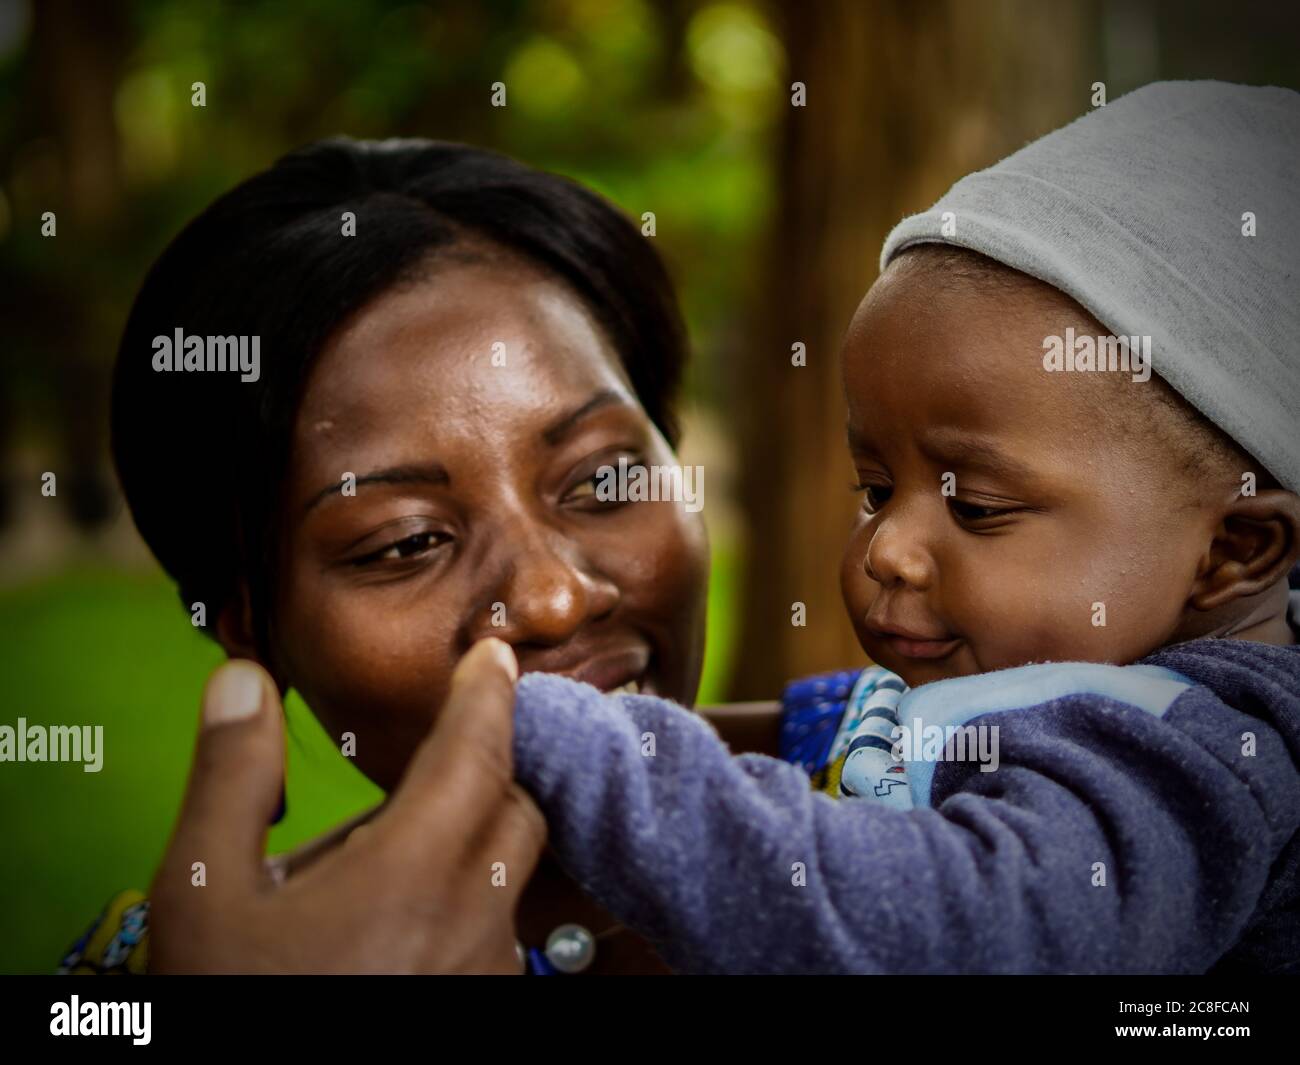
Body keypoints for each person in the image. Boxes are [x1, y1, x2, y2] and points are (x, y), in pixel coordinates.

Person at [500, 81, 1300, 973]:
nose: (886, 549)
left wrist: (598, 756)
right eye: (875, 489)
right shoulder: (1058, 676)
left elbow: (961, 928)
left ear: (1234, 552)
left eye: (977, 508)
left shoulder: (1190, 751)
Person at [63, 136, 717, 974]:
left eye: (602, 478)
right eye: (409, 541)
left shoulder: (921, 793)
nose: (554, 598)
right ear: (255, 629)